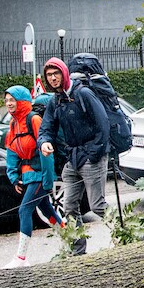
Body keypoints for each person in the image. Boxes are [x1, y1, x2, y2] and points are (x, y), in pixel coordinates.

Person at [36, 56, 109, 256]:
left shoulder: (84, 93)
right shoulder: (55, 101)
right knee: (69, 206)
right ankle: (78, 251)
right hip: (73, 159)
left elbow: (103, 124)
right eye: (49, 75)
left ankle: (129, 234)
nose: (52, 78)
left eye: (55, 73)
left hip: (92, 158)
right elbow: (46, 128)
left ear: (64, 73)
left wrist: (94, 154)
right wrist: (44, 142)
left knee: (97, 206)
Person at [1, 85, 58, 267]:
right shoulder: (13, 124)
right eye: (7, 100)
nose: (9, 103)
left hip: (40, 176)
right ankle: (73, 240)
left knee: (24, 210)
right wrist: (13, 176)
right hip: (28, 176)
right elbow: (11, 152)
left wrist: (48, 180)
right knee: (48, 210)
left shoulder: (34, 119)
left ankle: (21, 258)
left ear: (22, 101)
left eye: (12, 100)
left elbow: (45, 151)